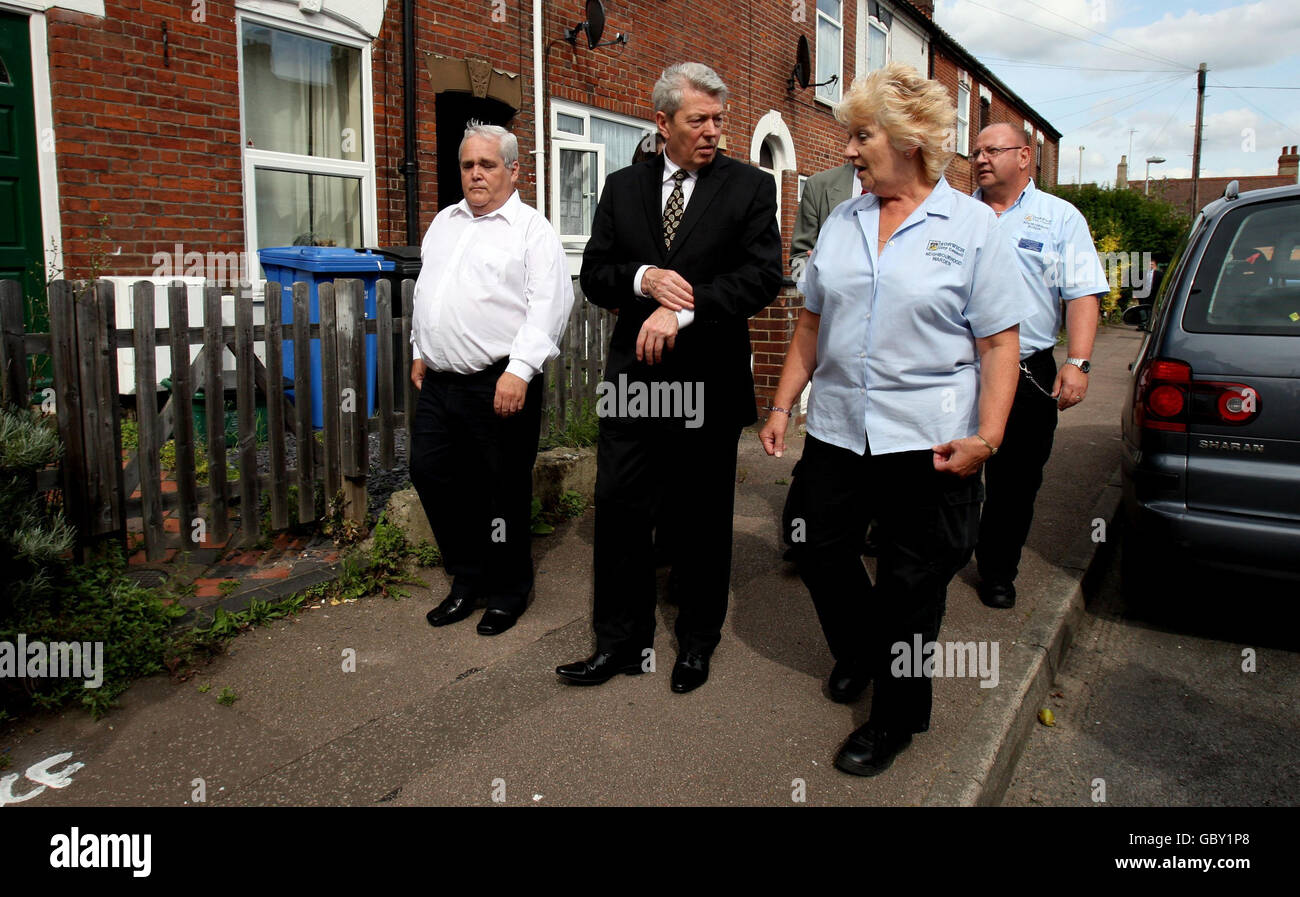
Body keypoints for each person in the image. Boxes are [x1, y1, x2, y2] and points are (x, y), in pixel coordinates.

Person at [759, 62, 1029, 776]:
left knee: (913, 584)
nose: (848, 150)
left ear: (909, 139)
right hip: (842, 431)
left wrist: (990, 436)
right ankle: (863, 652)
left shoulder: (971, 227)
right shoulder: (844, 222)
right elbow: (812, 325)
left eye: (861, 135)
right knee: (817, 547)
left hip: (930, 441)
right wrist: (783, 403)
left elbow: (1001, 342)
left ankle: (895, 717)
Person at [556, 62, 783, 693]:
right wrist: (641, 279)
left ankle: (697, 642)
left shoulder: (749, 187)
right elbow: (595, 272)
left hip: (706, 379)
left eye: (719, 120)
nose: (712, 132)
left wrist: (682, 307)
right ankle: (620, 644)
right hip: (634, 381)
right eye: (698, 120)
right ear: (663, 123)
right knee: (620, 509)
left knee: (700, 518)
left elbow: (762, 277)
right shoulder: (623, 187)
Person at [408, 122, 574, 636]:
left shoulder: (531, 230)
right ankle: (468, 579)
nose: (476, 174)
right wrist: (420, 348)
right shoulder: (444, 222)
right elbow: (429, 291)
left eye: (488, 164)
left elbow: (551, 304)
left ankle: (507, 591)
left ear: (513, 170)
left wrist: (520, 370)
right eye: (467, 165)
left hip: (499, 382)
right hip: (440, 383)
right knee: (431, 474)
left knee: (501, 492)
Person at [970, 123, 1109, 609]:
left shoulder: (1060, 218)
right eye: (976, 151)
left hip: (1028, 369)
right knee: (947, 467)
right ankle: (933, 554)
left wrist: (1078, 360)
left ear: (1025, 156)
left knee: (1015, 480)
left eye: (993, 150)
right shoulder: (956, 214)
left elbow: (1082, 293)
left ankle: (997, 570)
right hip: (958, 368)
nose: (981, 159)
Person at [789, 161, 860, 278]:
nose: (849, 151)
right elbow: (798, 258)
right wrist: (816, 280)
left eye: (863, 141)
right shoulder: (818, 185)